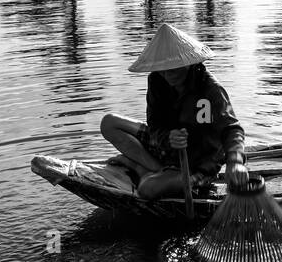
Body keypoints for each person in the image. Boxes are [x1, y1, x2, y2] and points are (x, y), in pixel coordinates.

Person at [100, 24, 250, 200]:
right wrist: (168, 137)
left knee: (147, 189)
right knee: (109, 123)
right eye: (163, 69)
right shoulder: (157, 80)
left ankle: (140, 167)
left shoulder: (210, 90)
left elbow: (232, 130)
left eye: (173, 68)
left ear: (188, 64)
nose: (167, 74)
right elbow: (154, 124)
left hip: (197, 161)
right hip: (167, 147)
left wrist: (235, 161)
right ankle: (156, 169)